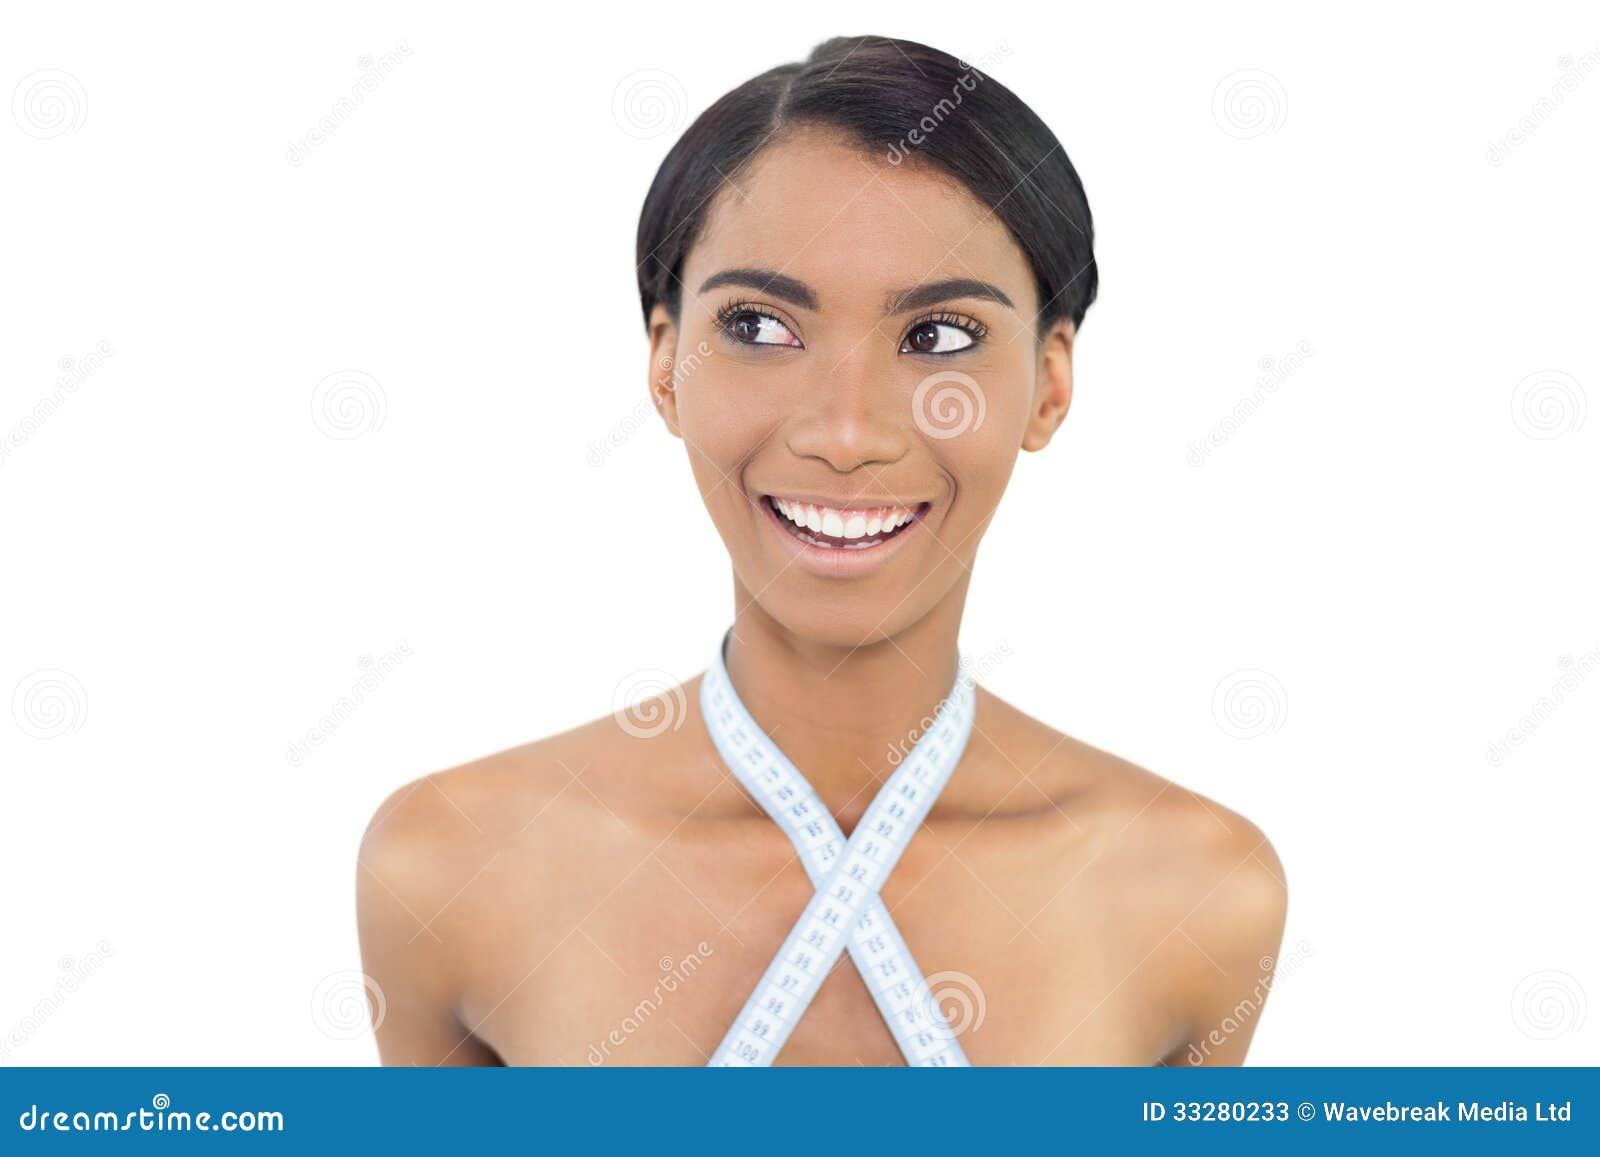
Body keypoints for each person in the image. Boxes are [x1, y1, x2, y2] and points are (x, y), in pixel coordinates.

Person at [357, 33, 1287, 1067]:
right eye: (759, 326)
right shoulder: (450, 868)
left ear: (1049, 383)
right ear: (665, 366)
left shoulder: (1197, 893)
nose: (846, 433)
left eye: (938, 336)